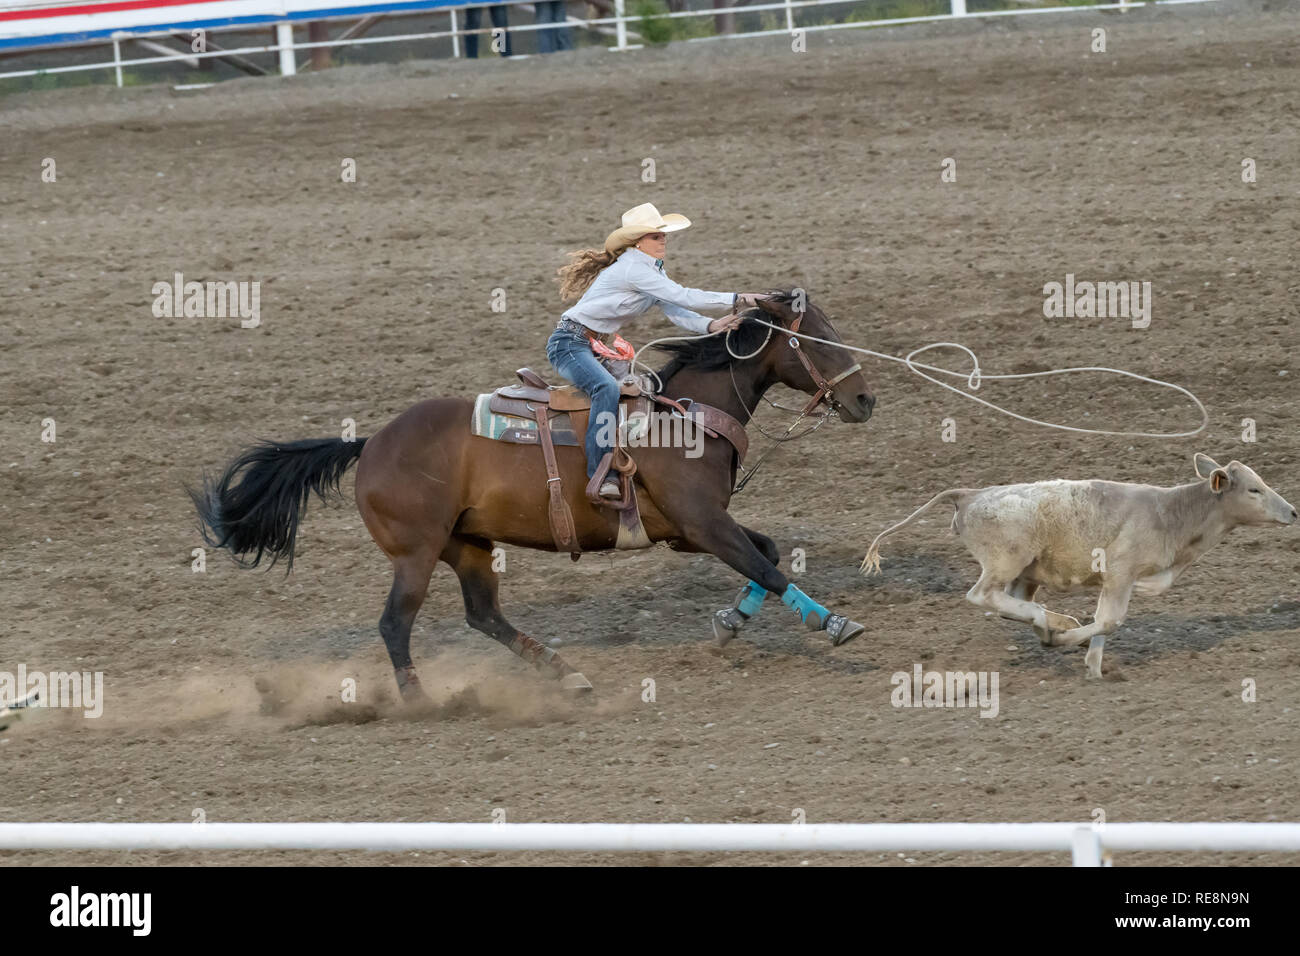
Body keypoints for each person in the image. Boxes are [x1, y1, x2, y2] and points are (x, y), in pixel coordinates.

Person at [549, 202, 768, 499]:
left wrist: (711, 325)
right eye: (655, 235)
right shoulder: (633, 268)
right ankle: (600, 473)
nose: (662, 239)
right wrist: (740, 298)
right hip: (569, 345)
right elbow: (683, 296)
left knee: (641, 393)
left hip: (591, 346)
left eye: (662, 234)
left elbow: (674, 307)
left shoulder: (648, 270)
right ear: (637, 242)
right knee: (606, 389)